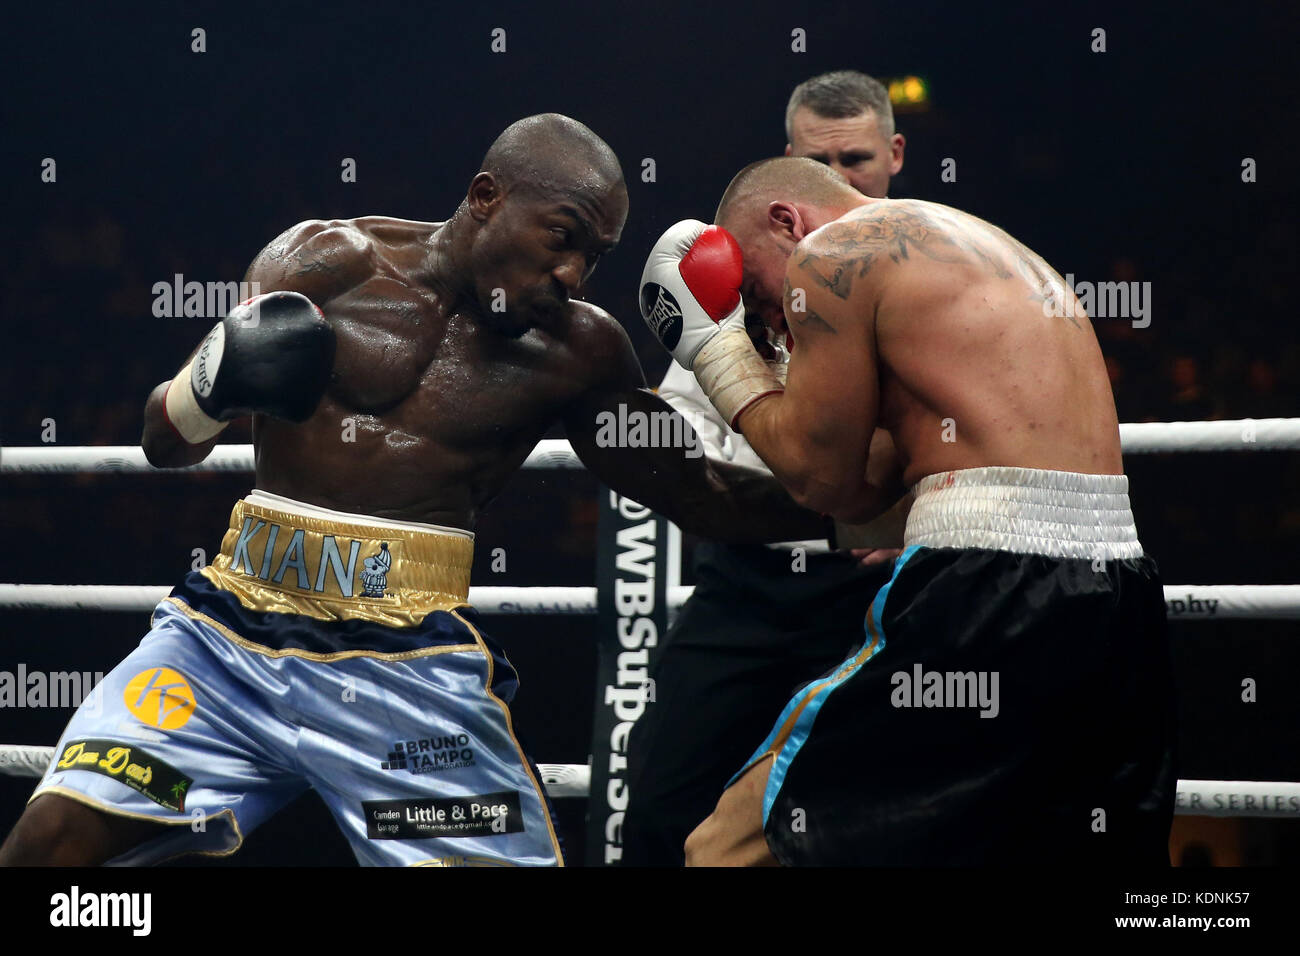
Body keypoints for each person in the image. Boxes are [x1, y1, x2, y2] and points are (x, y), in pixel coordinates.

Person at [0, 114, 822, 868]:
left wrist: (862, 501)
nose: (571, 273)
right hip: (224, 642)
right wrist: (206, 392)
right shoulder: (321, 263)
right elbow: (162, 442)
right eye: (562, 238)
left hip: (408, 667)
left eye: (594, 256)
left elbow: (702, 495)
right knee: (51, 843)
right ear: (486, 198)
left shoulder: (578, 353)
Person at [639, 157, 1176, 865]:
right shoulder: (980, 248)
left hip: (987, 589)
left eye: (752, 292)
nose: (767, 319)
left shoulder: (832, 255)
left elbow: (818, 480)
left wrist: (719, 351)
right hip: (1118, 593)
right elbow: (866, 488)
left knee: (729, 846)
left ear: (785, 221)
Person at [622, 71, 910, 866]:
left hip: (883, 586)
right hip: (745, 586)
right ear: (792, 168)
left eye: (857, 157)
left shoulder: (929, 279)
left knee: (874, 817)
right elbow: (683, 451)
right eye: (824, 161)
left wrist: (909, 515)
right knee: (661, 803)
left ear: (894, 154)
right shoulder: (740, 282)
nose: (844, 178)